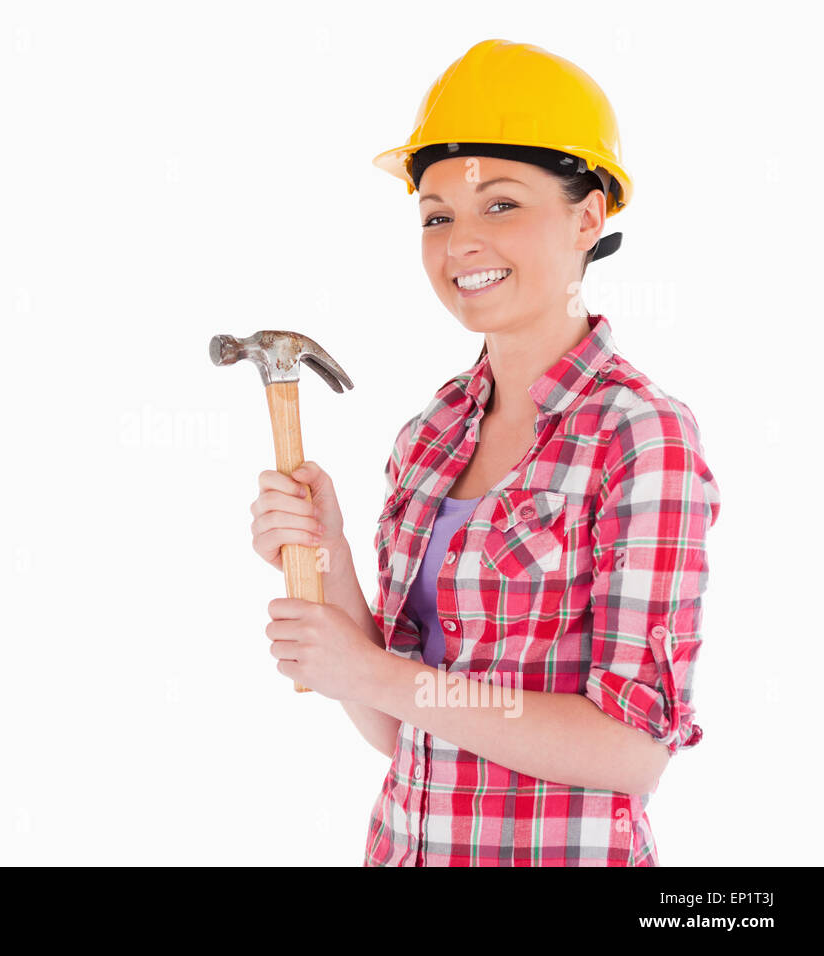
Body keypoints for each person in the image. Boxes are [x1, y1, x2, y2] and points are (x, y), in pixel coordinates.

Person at [250, 38, 720, 865]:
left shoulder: (641, 438)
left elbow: (630, 753)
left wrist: (376, 676)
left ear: (589, 217)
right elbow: (402, 731)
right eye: (436, 215)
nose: (459, 241)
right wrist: (328, 557)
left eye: (499, 204)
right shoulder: (429, 434)